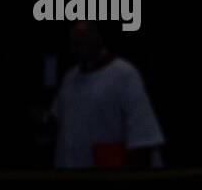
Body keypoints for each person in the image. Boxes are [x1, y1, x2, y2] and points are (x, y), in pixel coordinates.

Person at [50, 21, 165, 168]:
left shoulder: (124, 74)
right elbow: (56, 121)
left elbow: (142, 135)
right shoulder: (70, 78)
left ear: (96, 40)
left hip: (108, 173)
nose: (74, 50)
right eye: (73, 44)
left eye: (80, 44)